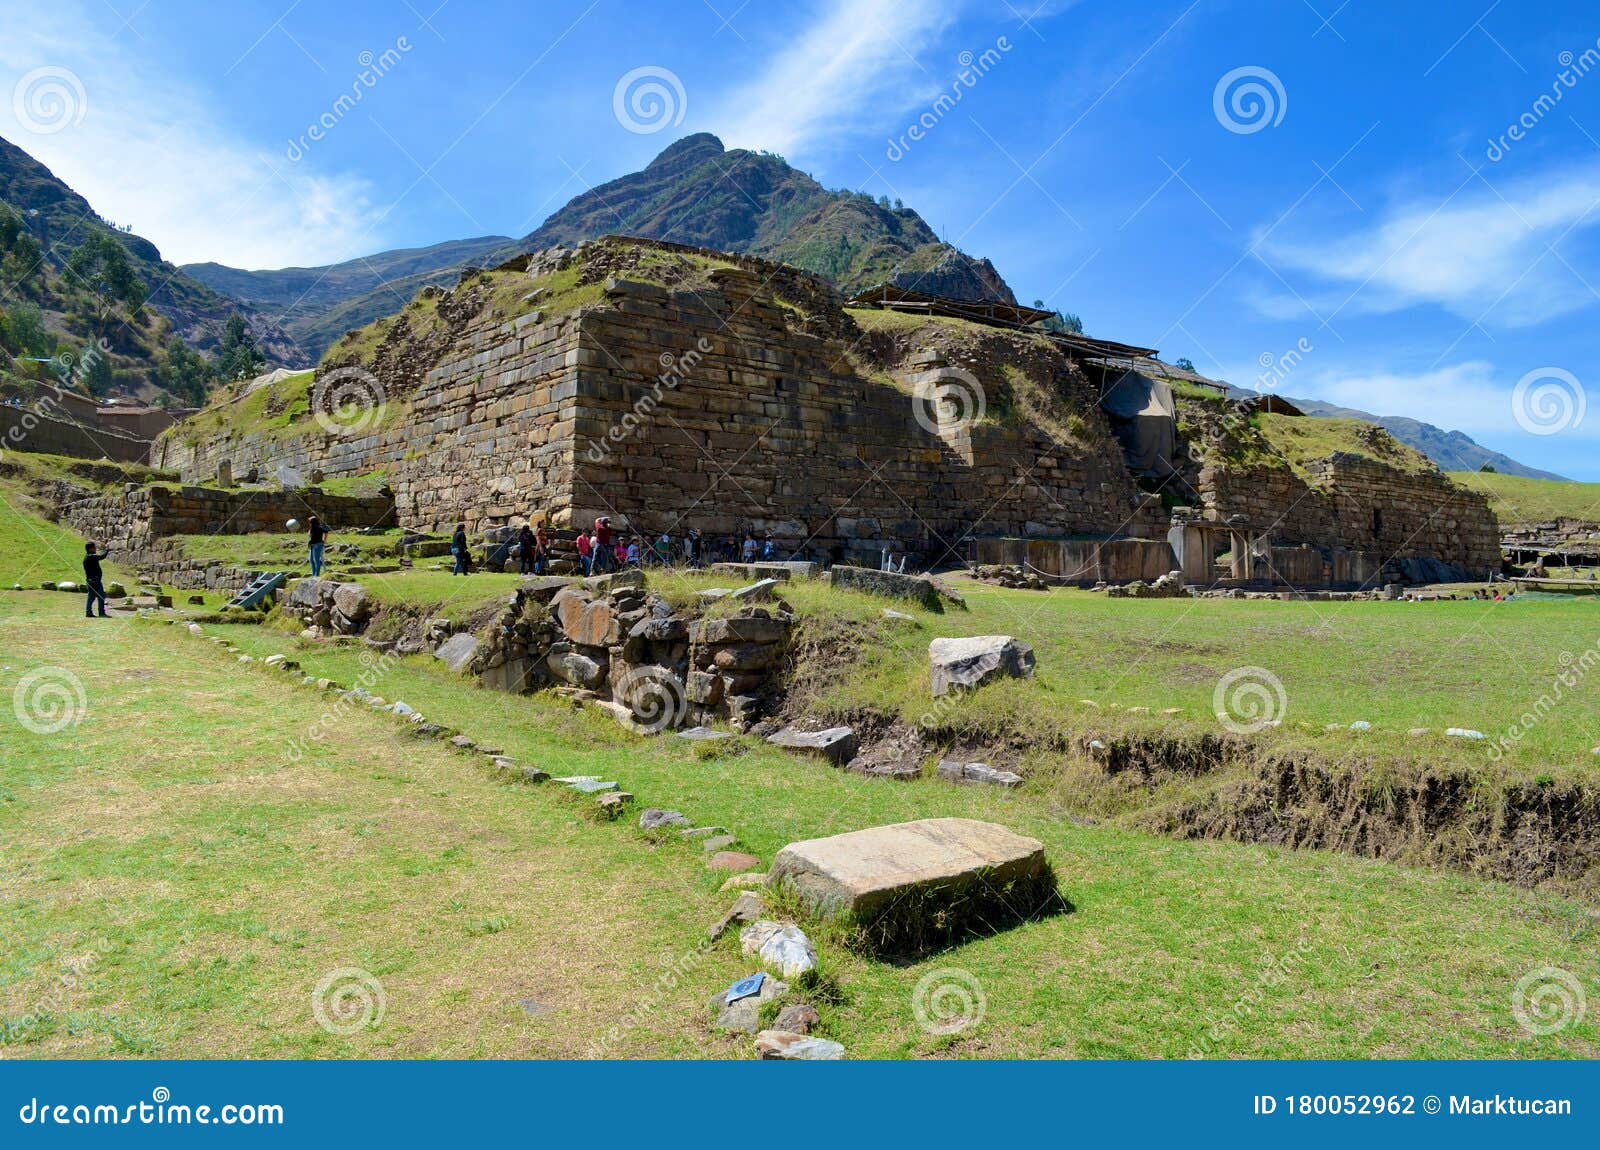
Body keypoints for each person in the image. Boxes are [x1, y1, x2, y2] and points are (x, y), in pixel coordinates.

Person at [83, 541, 110, 618]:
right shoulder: (91, 556)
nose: (95, 549)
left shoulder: (87, 557)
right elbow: (102, 556)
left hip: (90, 581)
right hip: (95, 581)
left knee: (91, 597)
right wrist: (107, 549)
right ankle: (101, 613)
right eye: (94, 547)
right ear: (90, 549)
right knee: (101, 596)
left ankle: (88, 612)